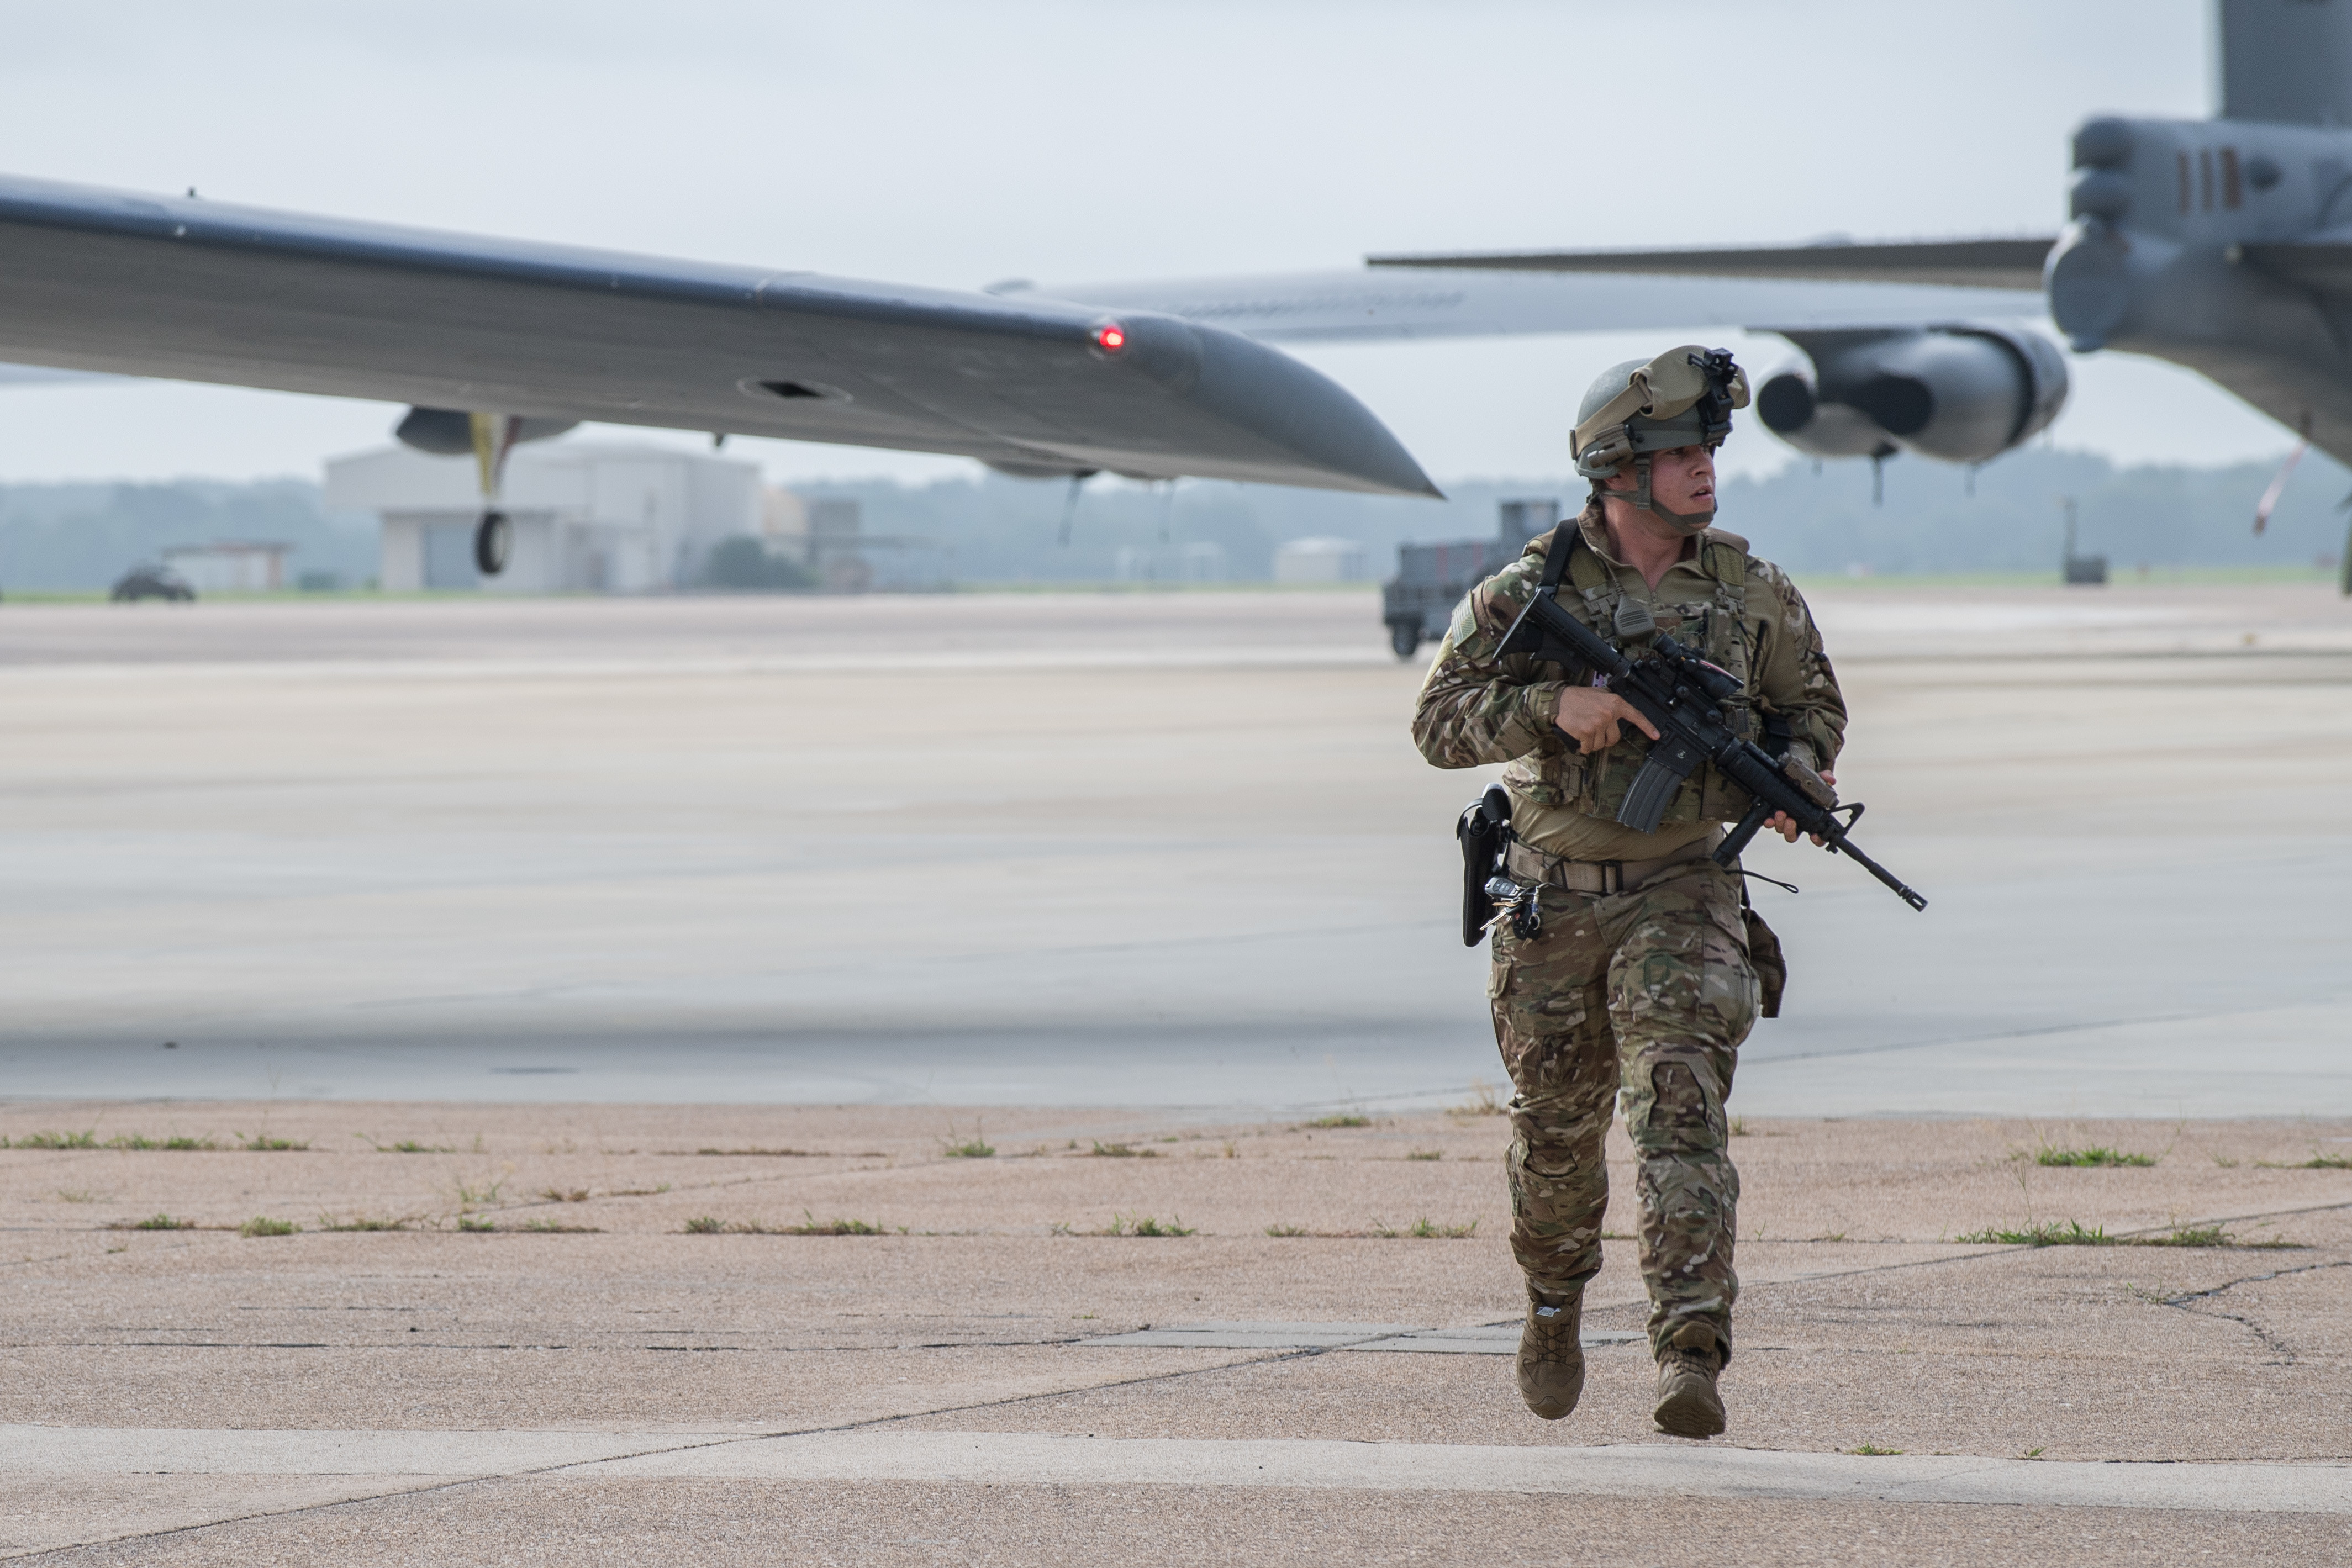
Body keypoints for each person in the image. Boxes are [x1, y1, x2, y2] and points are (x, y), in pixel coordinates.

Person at [1410, 346, 1846, 1438]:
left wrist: (1798, 771)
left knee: (1678, 1117)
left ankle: (1687, 1348)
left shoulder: (1750, 591)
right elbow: (1434, 721)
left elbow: (1813, 708)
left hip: (1682, 888)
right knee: (1555, 1142)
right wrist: (1547, 708)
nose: (1704, 469)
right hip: (1553, 900)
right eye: (1680, 453)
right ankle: (1553, 1305)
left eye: (1707, 449)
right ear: (1617, 470)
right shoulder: (1528, 592)